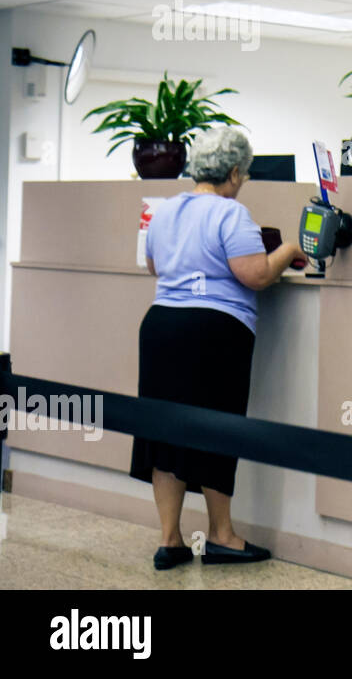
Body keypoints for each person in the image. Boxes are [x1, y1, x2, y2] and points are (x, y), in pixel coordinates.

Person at [131, 127, 308, 570]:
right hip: (212, 332)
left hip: (160, 326)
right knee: (217, 429)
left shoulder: (164, 211)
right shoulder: (231, 215)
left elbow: (154, 265)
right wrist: (287, 250)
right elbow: (257, 275)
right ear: (233, 173)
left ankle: (170, 540)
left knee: (164, 432)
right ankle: (222, 536)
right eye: (243, 175)